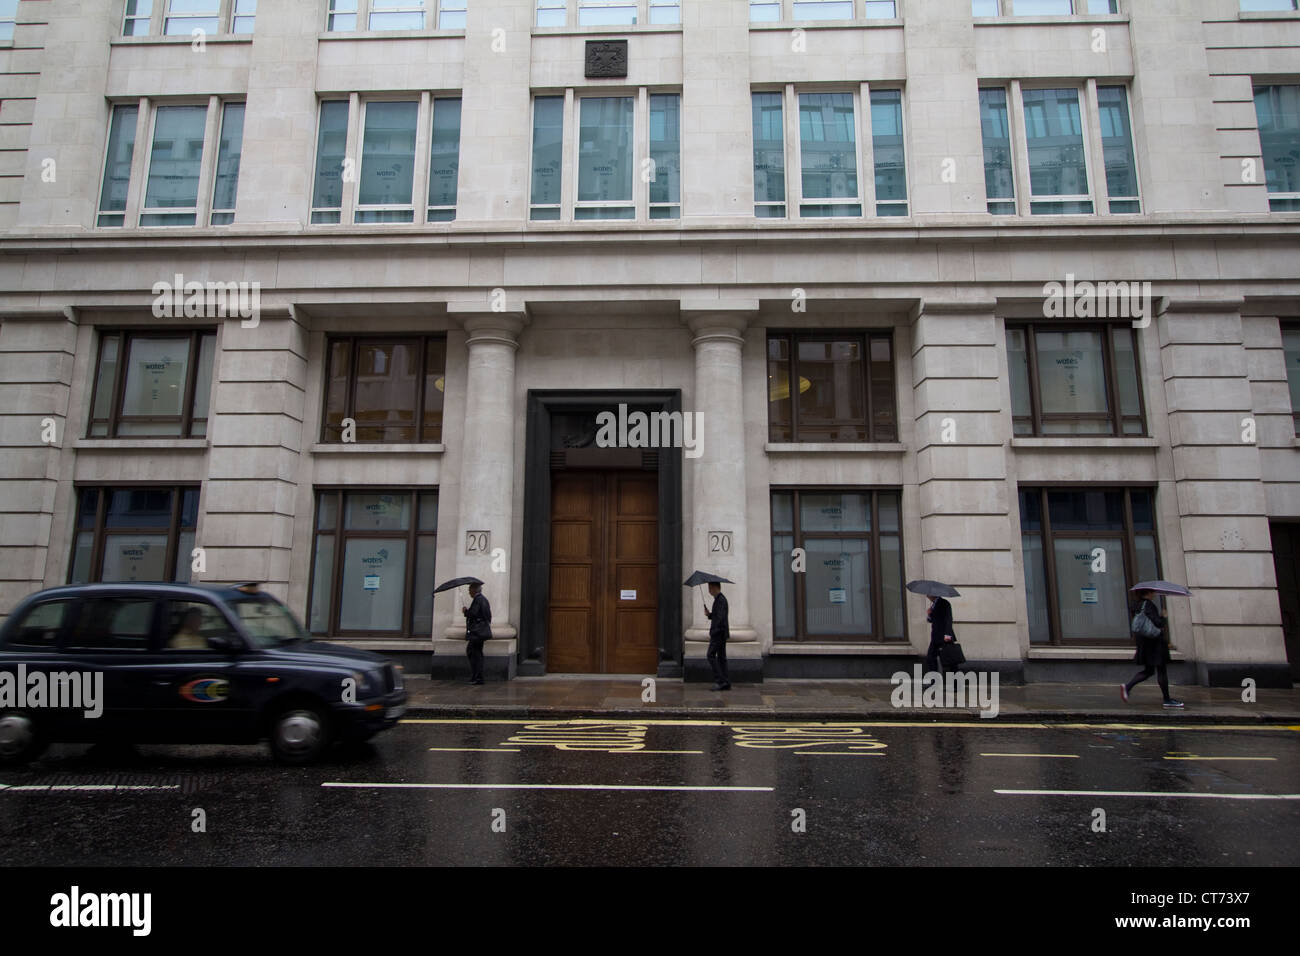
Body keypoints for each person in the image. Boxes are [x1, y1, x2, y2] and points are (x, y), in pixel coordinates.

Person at [1122, 589, 1183, 708]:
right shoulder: (1149, 605)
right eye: (1153, 592)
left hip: (1144, 643)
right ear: (1148, 593)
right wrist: (1163, 617)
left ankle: (1127, 687)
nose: (1154, 594)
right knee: (1161, 670)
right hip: (1154, 643)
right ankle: (1167, 699)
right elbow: (1158, 623)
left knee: (1149, 670)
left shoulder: (1137, 605)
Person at [461, 583, 491, 685]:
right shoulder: (483, 599)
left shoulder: (478, 600)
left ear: (474, 590)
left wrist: (466, 611)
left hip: (477, 632)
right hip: (480, 632)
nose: (469, 592)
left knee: (474, 653)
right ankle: (477, 676)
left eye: (470, 589)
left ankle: (477, 677)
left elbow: (473, 613)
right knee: (474, 652)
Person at [704, 581, 731, 691]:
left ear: (715, 587)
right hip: (721, 633)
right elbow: (717, 616)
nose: (709, 591)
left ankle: (720, 680)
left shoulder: (720, 600)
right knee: (721, 658)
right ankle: (726, 682)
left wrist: (714, 631)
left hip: (718, 633)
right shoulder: (719, 600)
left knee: (710, 655)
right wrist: (709, 614)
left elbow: (719, 618)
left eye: (710, 588)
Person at [925, 594, 955, 674]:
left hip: (944, 637)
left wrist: (948, 635)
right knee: (930, 658)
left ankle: (956, 684)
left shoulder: (944, 603)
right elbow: (932, 620)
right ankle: (934, 683)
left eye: (928, 595)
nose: (927, 596)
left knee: (951, 661)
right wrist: (929, 614)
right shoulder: (933, 605)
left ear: (933, 594)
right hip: (935, 637)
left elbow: (949, 619)